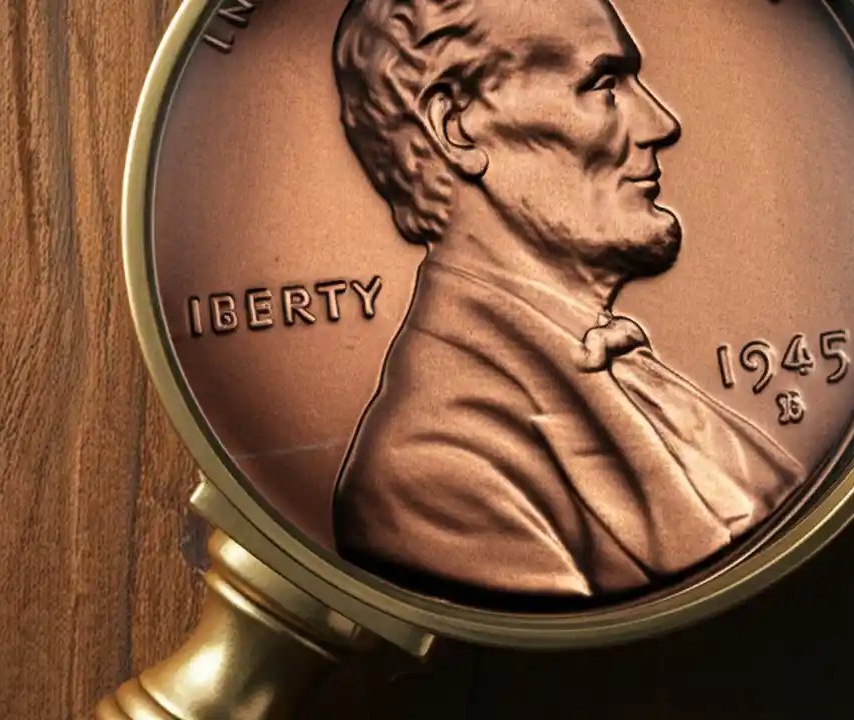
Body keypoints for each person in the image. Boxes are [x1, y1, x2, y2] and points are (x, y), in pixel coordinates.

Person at [331, 0, 804, 600]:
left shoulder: (614, 365)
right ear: (456, 125)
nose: (661, 122)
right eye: (603, 84)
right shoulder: (433, 470)